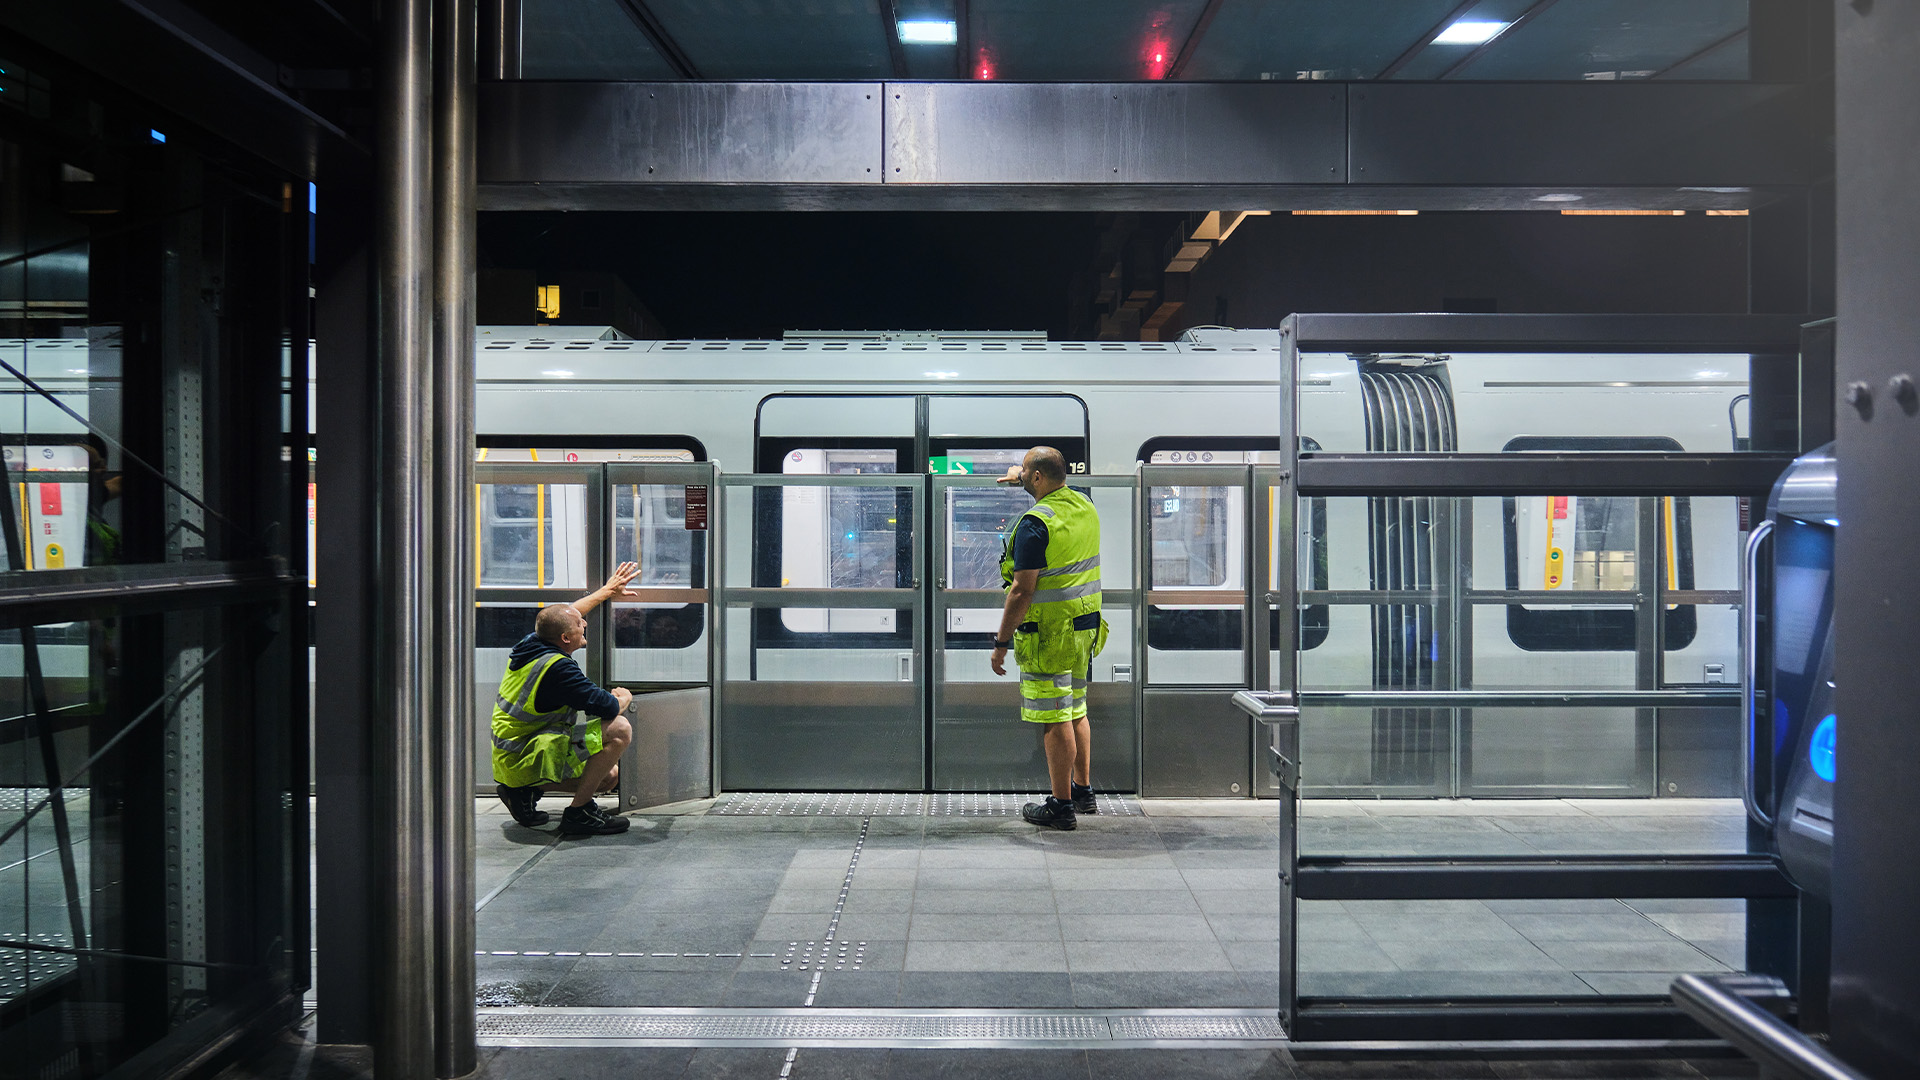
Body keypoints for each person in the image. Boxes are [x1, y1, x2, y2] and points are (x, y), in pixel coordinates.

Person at [991, 447, 1107, 830]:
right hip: (1084, 630)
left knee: (1055, 717)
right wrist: (1019, 477)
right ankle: (1082, 791)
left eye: (1025, 472)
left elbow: (1021, 593)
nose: (1021, 475)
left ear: (1037, 478)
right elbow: (1048, 487)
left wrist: (1001, 642)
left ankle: (1060, 806)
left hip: (1050, 636)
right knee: (1076, 708)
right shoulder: (1084, 505)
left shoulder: (1034, 524)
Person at [492, 562, 641, 837]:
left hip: (515, 755)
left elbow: (565, 615)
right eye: (579, 624)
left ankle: (523, 790)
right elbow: (607, 706)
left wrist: (607, 591)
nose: (584, 623)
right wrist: (625, 696)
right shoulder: (559, 669)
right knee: (620, 728)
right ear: (565, 638)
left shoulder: (533, 642)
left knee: (608, 777)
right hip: (527, 753)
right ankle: (579, 813)